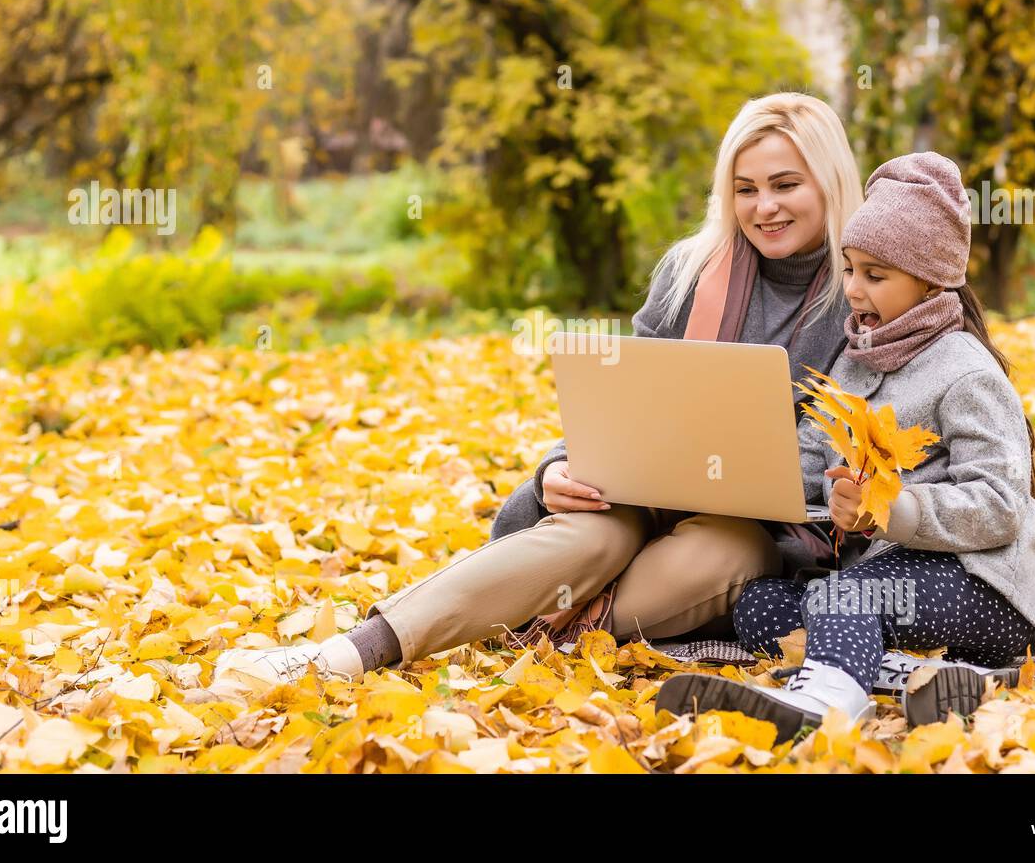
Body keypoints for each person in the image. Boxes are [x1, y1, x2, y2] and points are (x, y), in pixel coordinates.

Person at [212, 92, 863, 689]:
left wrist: (766, 479)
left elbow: (845, 445)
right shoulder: (692, 269)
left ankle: (537, 620)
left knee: (726, 550)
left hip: (763, 528)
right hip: (642, 492)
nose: (764, 207)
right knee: (593, 538)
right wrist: (559, 465)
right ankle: (348, 653)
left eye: (785, 185)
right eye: (746, 189)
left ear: (828, 182)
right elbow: (623, 393)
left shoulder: (863, 294)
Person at [658, 152, 1035, 733]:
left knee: (844, 599)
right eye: (849, 270)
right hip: (887, 581)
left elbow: (1000, 506)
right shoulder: (854, 361)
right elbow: (807, 460)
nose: (854, 290)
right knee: (758, 607)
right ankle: (924, 676)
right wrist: (731, 476)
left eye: (875, 275)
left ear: (930, 280)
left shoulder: (966, 373)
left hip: (982, 587)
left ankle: (825, 703)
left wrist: (892, 508)